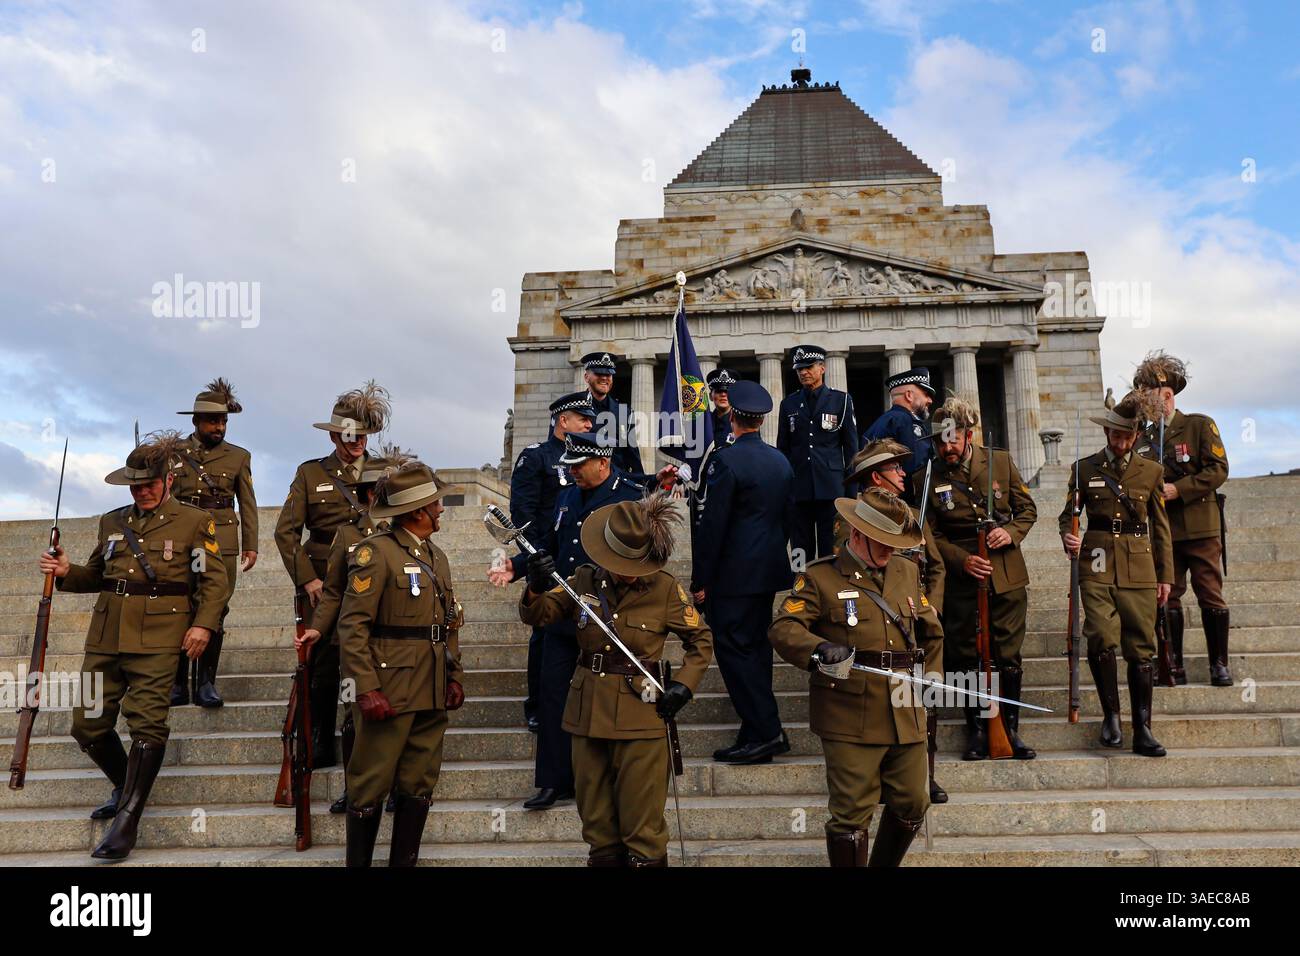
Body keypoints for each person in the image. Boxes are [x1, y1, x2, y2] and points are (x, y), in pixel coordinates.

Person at [39, 431, 230, 860]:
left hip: (161, 639)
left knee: (146, 725)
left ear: (166, 480)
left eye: (149, 483)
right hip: (106, 637)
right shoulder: (112, 521)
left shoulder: (195, 522)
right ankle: (127, 784)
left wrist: (203, 626)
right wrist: (66, 572)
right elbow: (96, 575)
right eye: (135, 485)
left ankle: (128, 818)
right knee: (86, 724)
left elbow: (214, 583)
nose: (142, 491)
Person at [519, 496, 713, 866]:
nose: (628, 572)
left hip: (641, 720)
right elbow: (540, 614)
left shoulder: (666, 589)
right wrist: (536, 585)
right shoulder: (583, 579)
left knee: (643, 833)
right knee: (598, 829)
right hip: (587, 714)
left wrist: (684, 686)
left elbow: (700, 639)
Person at [769, 489, 930, 867]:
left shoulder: (906, 570)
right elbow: (784, 628)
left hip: (904, 705)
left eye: (895, 543)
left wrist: (930, 683)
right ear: (858, 534)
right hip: (849, 709)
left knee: (912, 800)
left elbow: (931, 631)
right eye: (883, 543)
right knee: (851, 812)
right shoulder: (820, 576)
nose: (891, 551)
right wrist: (819, 648)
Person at [491, 430, 642, 809]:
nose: (572, 472)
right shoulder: (567, 496)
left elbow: (642, 557)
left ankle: (609, 776)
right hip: (565, 609)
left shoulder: (629, 497)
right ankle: (554, 780)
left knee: (608, 697)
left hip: (607, 613)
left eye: (579, 466)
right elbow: (551, 546)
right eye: (570, 466)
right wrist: (521, 566)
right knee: (553, 692)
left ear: (603, 463)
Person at [336, 462, 465, 866]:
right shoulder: (376, 553)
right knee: (370, 784)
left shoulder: (436, 556)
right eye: (435, 503)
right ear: (416, 511)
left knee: (419, 783)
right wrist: (366, 687)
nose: (441, 509)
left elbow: (449, 622)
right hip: (389, 689)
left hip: (431, 686)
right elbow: (353, 626)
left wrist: (454, 674)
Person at [274, 382, 390, 768]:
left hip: (376, 575)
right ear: (335, 434)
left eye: (361, 435)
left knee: (369, 657)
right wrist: (308, 579)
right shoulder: (310, 474)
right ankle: (323, 736)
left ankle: (360, 733)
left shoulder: (383, 472)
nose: (355, 442)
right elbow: (285, 532)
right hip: (325, 578)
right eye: (347, 435)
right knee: (323, 664)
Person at [917, 398, 1038, 761]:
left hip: (1004, 570)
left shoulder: (998, 461)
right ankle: (976, 730)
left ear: (968, 435)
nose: (947, 447)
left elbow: (1027, 510)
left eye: (953, 440)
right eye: (940, 441)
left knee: (1007, 653)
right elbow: (930, 533)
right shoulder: (927, 474)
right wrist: (960, 559)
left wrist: (1011, 533)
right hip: (960, 574)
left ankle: (1009, 728)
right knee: (966, 655)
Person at [1060, 397, 1174, 757]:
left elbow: (1161, 527)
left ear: (1136, 434)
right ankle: (1112, 716)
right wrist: (1068, 533)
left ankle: (1143, 727)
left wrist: (1165, 575)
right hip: (1094, 560)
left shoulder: (1151, 471)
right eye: (1115, 434)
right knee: (1100, 636)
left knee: (1141, 646)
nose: (1120, 441)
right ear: (1107, 431)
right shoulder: (1085, 468)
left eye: (1127, 436)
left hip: (1139, 562)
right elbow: (1069, 514)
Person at [297, 447, 410, 812]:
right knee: (353, 715)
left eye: (382, 491)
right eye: (371, 491)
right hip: (358, 640)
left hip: (398, 640)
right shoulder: (346, 536)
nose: (376, 498)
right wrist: (317, 629)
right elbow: (333, 592)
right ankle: (355, 785)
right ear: (362, 496)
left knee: (396, 713)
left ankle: (396, 785)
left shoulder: (408, 531)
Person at [690, 380, 794, 765]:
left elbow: (712, 525)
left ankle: (767, 731)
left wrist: (700, 579)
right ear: (763, 421)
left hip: (732, 577)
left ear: (732, 415)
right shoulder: (781, 461)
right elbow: (787, 520)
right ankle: (754, 730)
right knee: (757, 651)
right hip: (765, 573)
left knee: (735, 653)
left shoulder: (726, 460)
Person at [840, 439, 948, 803]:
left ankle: (925, 775)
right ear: (876, 477)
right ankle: (885, 776)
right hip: (875, 621)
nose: (903, 474)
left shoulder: (912, 516)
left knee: (924, 698)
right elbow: (844, 573)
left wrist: (929, 608)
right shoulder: (850, 520)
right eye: (895, 468)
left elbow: (936, 567)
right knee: (884, 703)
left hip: (916, 623)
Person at [1132, 351, 1232, 686]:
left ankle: (1219, 664)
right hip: (1164, 532)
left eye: (1150, 397)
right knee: (1168, 596)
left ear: (1168, 395)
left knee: (1209, 593)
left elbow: (1218, 470)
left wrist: (1179, 489)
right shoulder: (1142, 440)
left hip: (1200, 526)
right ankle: (1172, 665)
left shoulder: (1198, 425)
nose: (1146, 404)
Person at [509, 391, 596, 734]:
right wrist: (535, 559)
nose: (589, 423)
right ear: (563, 421)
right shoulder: (536, 457)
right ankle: (537, 706)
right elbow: (522, 517)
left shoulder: (586, 457)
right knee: (544, 638)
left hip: (579, 560)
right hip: (548, 562)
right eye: (583, 418)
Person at [168, 377, 257, 708]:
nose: (219, 427)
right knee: (181, 605)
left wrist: (251, 544)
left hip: (221, 541)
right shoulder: (173, 453)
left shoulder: (238, 456)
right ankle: (178, 683)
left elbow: (247, 502)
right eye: (212, 421)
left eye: (222, 421)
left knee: (215, 606)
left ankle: (206, 682)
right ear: (196, 421)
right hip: (180, 540)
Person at [777, 345, 859, 562]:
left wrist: (851, 493)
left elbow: (851, 448)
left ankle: (827, 589)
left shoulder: (841, 401)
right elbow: (783, 450)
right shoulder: (789, 404)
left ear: (822, 368)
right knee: (799, 548)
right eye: (799, 369)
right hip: (799, 487)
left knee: (830, 546)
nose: (803, 372)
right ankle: (800, 586)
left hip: (831, 487)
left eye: (809, 367)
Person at [862, 368, 936, 503]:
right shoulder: (906, 422)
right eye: (926, 394)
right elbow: (917, 468)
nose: (930, 400)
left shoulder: (881, 422)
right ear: (909, 395)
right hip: (909, 503)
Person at [581, 351, 646, 480]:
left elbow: (632, 456)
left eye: (609, 374)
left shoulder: (623, 412)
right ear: (586, 377)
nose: (605, 378)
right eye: (599, 373)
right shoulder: (572, 409)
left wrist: (642, 488)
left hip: (615, 484)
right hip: (583, 482)